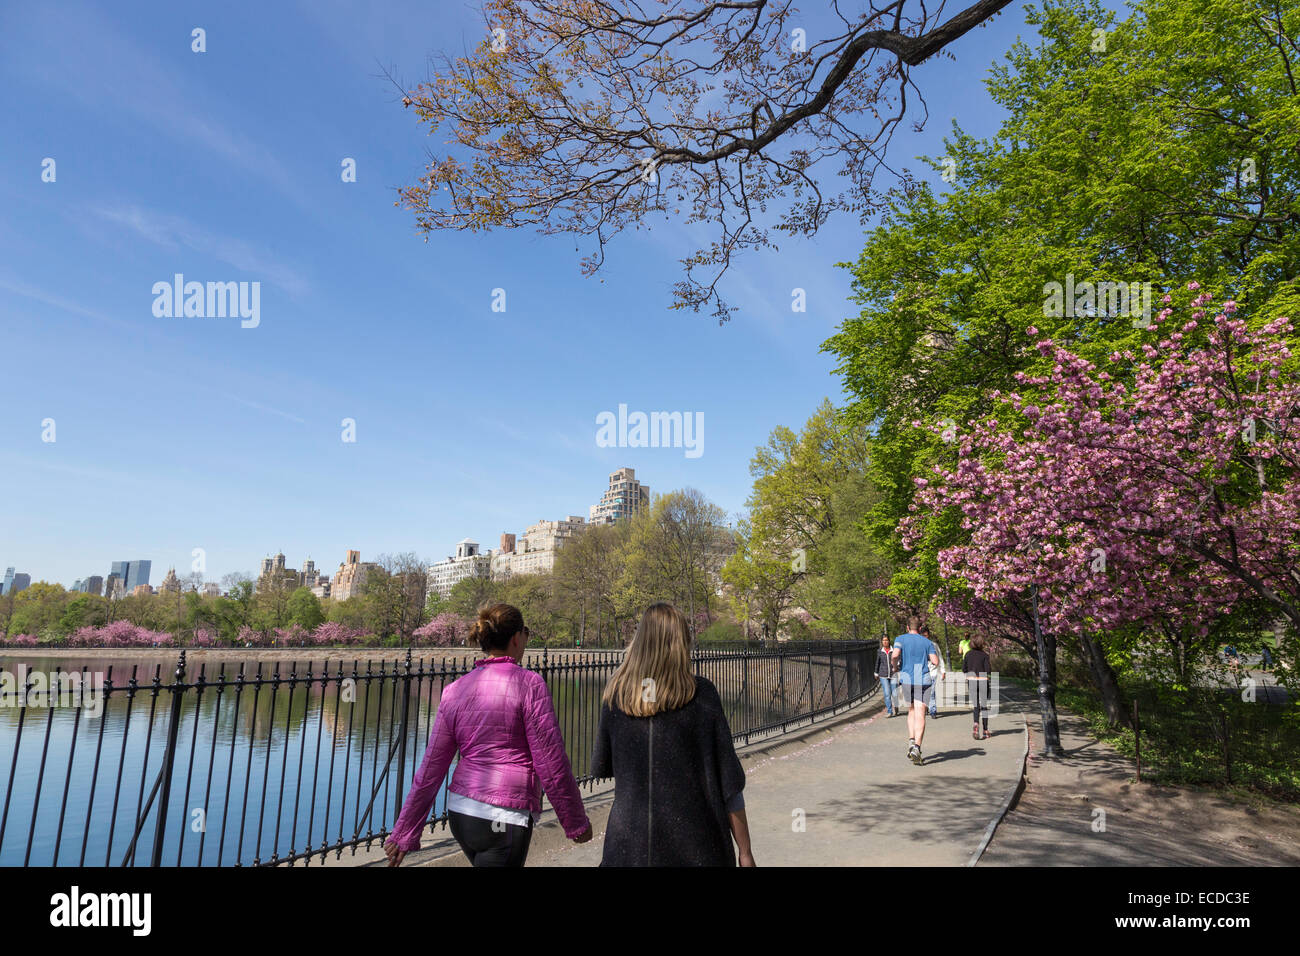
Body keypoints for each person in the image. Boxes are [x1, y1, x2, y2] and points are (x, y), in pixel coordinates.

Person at [384, 603, 592, 867]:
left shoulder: (455, 690)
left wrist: (404, 832)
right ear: (516, 638)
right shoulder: (529, 684)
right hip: (504, 816)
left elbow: (431, 768)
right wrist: (575, 822)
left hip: (462, 814)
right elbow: (551, 762)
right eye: (525, 632)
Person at [591, 602, 753, 866]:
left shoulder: (616, 698)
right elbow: (730, 785)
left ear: (639, 641)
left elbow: (603, 765)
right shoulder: (702, 696)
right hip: (699, 846)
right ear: (681, 643)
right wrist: (745, 851)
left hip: (629, 847)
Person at [892, 617, 939, 765]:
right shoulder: (927, 642)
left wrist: (895, 667)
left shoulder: (900, 638)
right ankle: (917, 747)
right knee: (920, 713)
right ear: (920, 629)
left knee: (911, 710)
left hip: (907, 679)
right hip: (923, 680)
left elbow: (894, 655)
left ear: (907, 627)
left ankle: (911, 740)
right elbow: (935, 661)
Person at [963, 634, 993, 741]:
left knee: (976, 706)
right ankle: (985, 730)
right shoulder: (984, 655)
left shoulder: (967, 654)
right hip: (983, 681)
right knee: (984, 706)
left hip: (971, 681)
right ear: (981, 643)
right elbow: (988, 670)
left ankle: (976, 725)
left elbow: (964, 669)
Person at [921, 626, 946, 719]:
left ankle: (933, 710)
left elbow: (939, 657)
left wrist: (943, 671)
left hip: (933, 672)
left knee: (931, 692)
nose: (925, 638)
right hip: (922, 672)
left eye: (926, 636)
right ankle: (925, 706)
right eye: (923, 636)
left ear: (929, 635)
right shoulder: (918, 646)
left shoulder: (934, 645)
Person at [877, 635, 899, 717]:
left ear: (889, 641)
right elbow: (878, 662)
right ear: (882, 642)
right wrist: (876, 672)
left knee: (895, 694)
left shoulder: (894, 650)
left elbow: (899, 659)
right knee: (887, 693)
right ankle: (889, 711)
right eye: (883, 640)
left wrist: (897, 666)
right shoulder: (879, 651)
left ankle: (896, 707)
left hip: (893, 674)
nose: (885, 642)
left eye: (886, 640)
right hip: (883, 674)